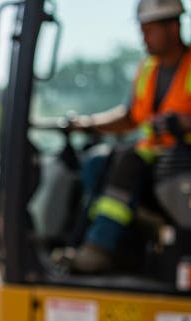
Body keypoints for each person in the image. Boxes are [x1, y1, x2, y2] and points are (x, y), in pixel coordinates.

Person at [71, 0, 191, 273]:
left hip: (182, 164)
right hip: (153, 161)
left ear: (173, 27)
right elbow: (129, 117)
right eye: (142, 30)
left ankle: (99, 248)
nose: (143, 37)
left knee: (128, 161)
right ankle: (123, 242)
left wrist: (183, 122)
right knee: (96, 164)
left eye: (150, 30)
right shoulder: (148, 69)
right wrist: (88, 124)